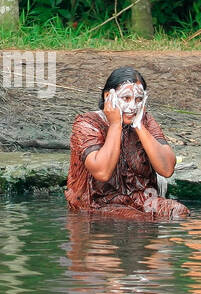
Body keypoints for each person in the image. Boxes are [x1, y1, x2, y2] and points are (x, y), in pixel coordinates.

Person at [66, 67, 189, 221]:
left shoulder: (145, 121)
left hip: (142, 201)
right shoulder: (86, 124)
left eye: (138, 100)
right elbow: (102, 172)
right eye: (126, 98)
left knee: (178, 212)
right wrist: (115, 124)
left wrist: (139, 126)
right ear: (107, 96)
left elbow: (166, 169)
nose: (132, 107)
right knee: (135, 221)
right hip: (95, 207)